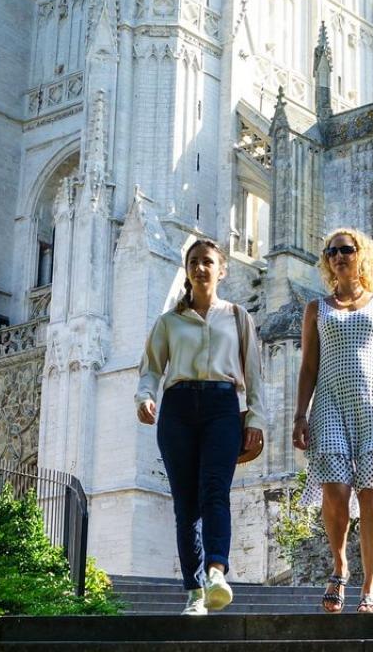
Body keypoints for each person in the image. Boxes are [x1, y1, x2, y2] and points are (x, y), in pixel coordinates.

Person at [291, 228, 373, 615]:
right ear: (327, 261)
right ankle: (340, 564)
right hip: (329, 402)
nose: (339, 256)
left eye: (346, 250)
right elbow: (309, 365)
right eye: (331, 252)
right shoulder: (317, 308)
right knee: (335, 490)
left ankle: (370, 588)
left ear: (361, 255)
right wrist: (299, 412)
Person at [136, 237, 265, 615]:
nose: (200, 268)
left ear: (221, 270)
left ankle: (216, 573)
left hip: (222, 406)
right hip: (176, 409)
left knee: (215, 492)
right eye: (193, 261)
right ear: (187, 269)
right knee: (185, 505)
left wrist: (255, 417)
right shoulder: (168, 322)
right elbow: (151, 370)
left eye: (208, 261)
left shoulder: (238, 317)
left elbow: (255, 374)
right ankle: (194, 593)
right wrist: (144, 397)